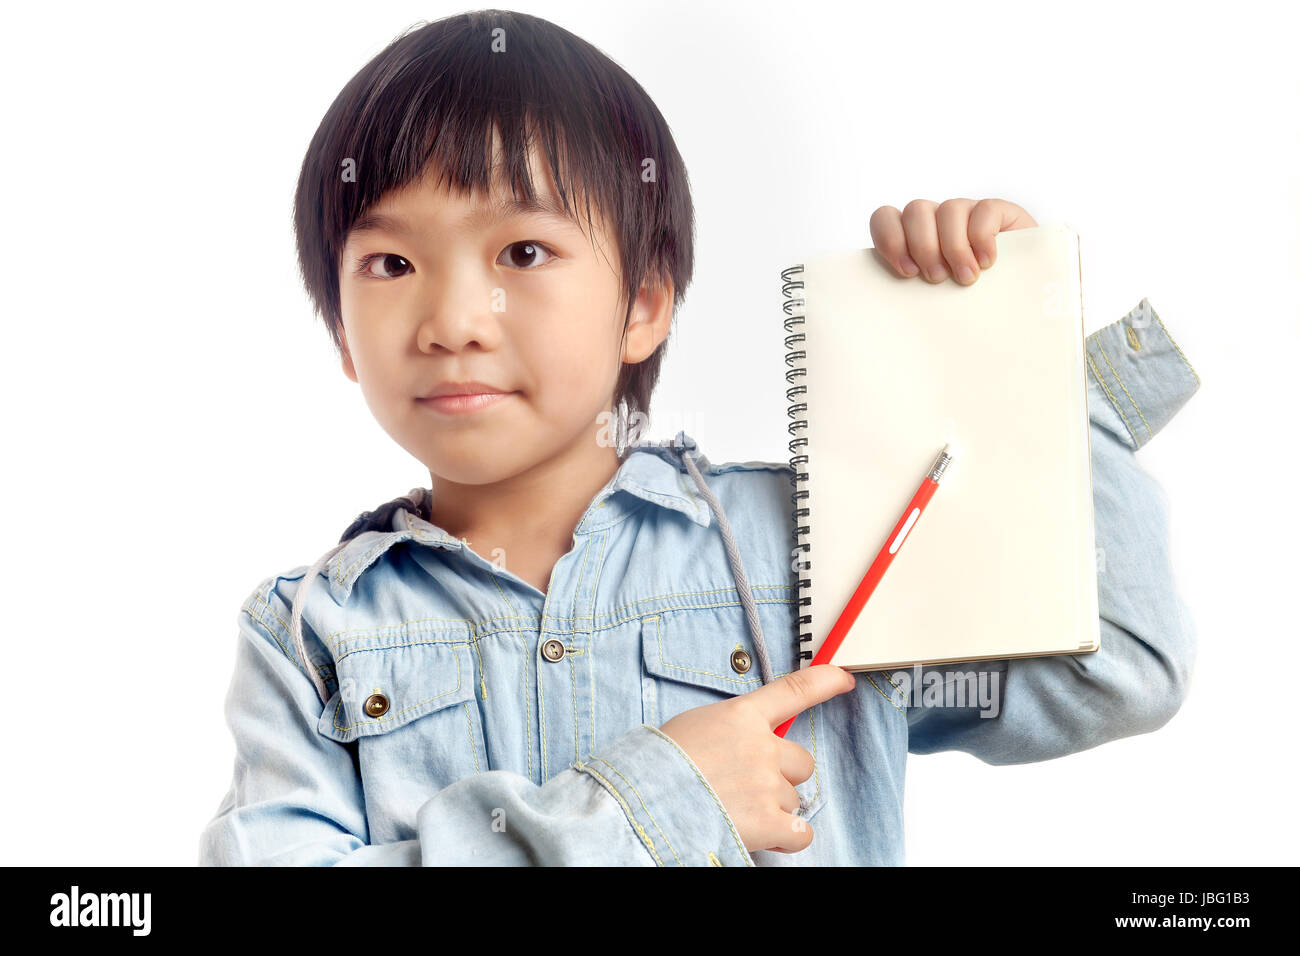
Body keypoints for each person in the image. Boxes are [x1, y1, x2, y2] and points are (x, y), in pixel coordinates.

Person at [199, 9, 1201, 866]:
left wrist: (1010, 367)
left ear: (642, 305)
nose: (455, 316)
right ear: (338, 327)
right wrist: (651, 804)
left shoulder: (811, 540)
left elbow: (1116, 670)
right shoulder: (308, 633)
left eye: (523, 249)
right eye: (389, 263)